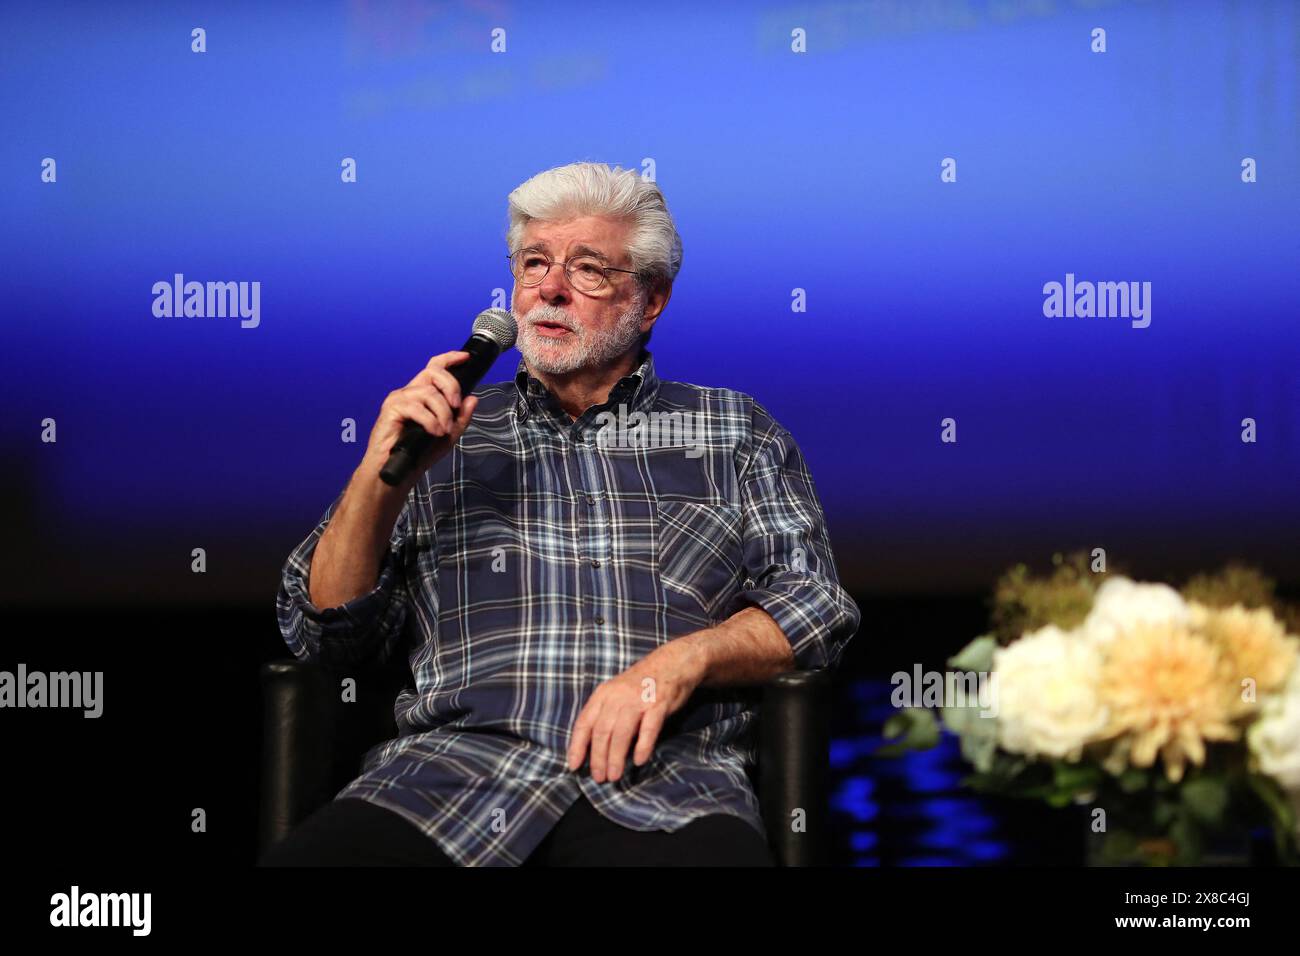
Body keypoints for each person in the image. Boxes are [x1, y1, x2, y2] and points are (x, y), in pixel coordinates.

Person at [260, 162, 860, 867]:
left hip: (661, 787)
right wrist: (377, 479)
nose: (548, 289)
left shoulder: (733, 430)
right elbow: (323, 632)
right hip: (444, 785)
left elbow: (815, 606)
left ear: (652, 298)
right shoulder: (447, 432)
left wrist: (682, 661)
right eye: (534, 263)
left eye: (588, 270)